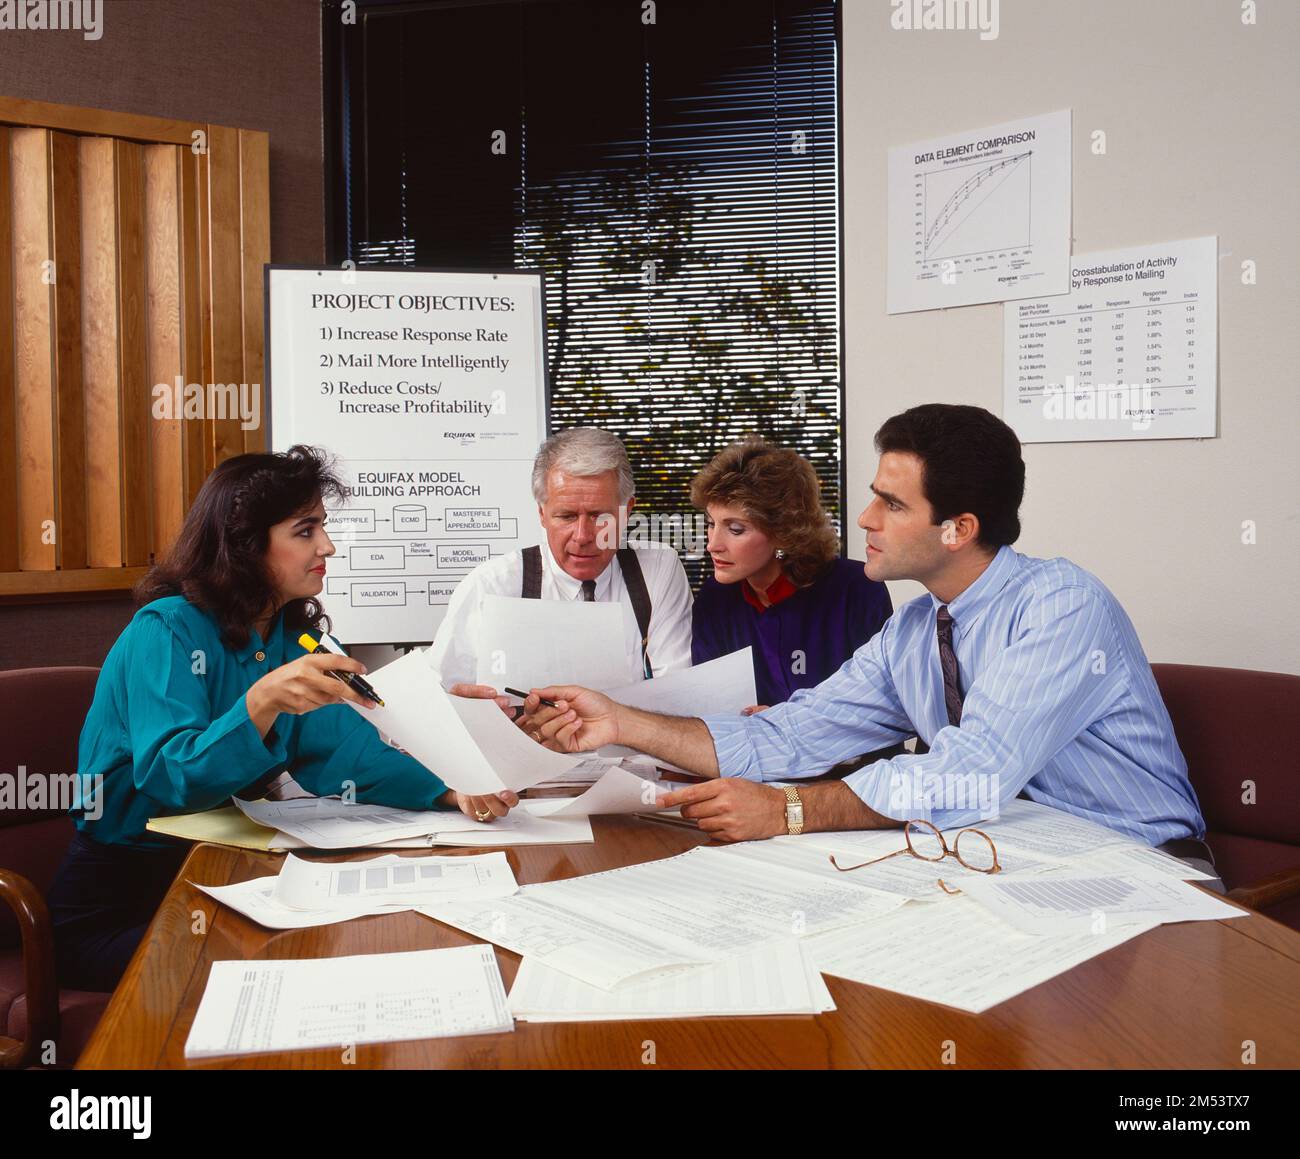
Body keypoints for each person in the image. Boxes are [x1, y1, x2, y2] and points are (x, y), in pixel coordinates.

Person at [521, 405, 1214, 881]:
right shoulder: (913, 631)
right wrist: (621, 721)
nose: (865, 516)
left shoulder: (1062, 607)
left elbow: (973, 773)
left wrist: (792, 808)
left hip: (1140, 868)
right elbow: (790, 735)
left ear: (959, 528)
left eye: (893, 502)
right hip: (1016, 861)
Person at [47, 445, 515, 992]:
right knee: (282, 967)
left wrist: (449, 790)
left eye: (323, 527)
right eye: (305, 530)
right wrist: (260, 702)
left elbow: (340, 753)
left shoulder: (293, 636)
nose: (328, 546)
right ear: (246, 545)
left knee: (350, 942)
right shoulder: (166, 629)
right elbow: (171, 778)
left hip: (219, 874)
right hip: (120, 898)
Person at [428, 427, 693, 704]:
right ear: (542, 514)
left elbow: (676, 695)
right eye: (566, 516)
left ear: (627, 512)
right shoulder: (492, 585)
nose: (583, 536)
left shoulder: (657, 568)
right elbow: (436, 702)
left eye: (599, 516)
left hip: (630, 746)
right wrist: (462, 709)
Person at [690, 437, 892, 707]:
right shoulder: (714, 600)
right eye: (711, 524)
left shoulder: (856, 588)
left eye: (735, 529)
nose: (712, 544)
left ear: (784, 532)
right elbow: (709, 711)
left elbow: (882, 706)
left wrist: (783, 722)